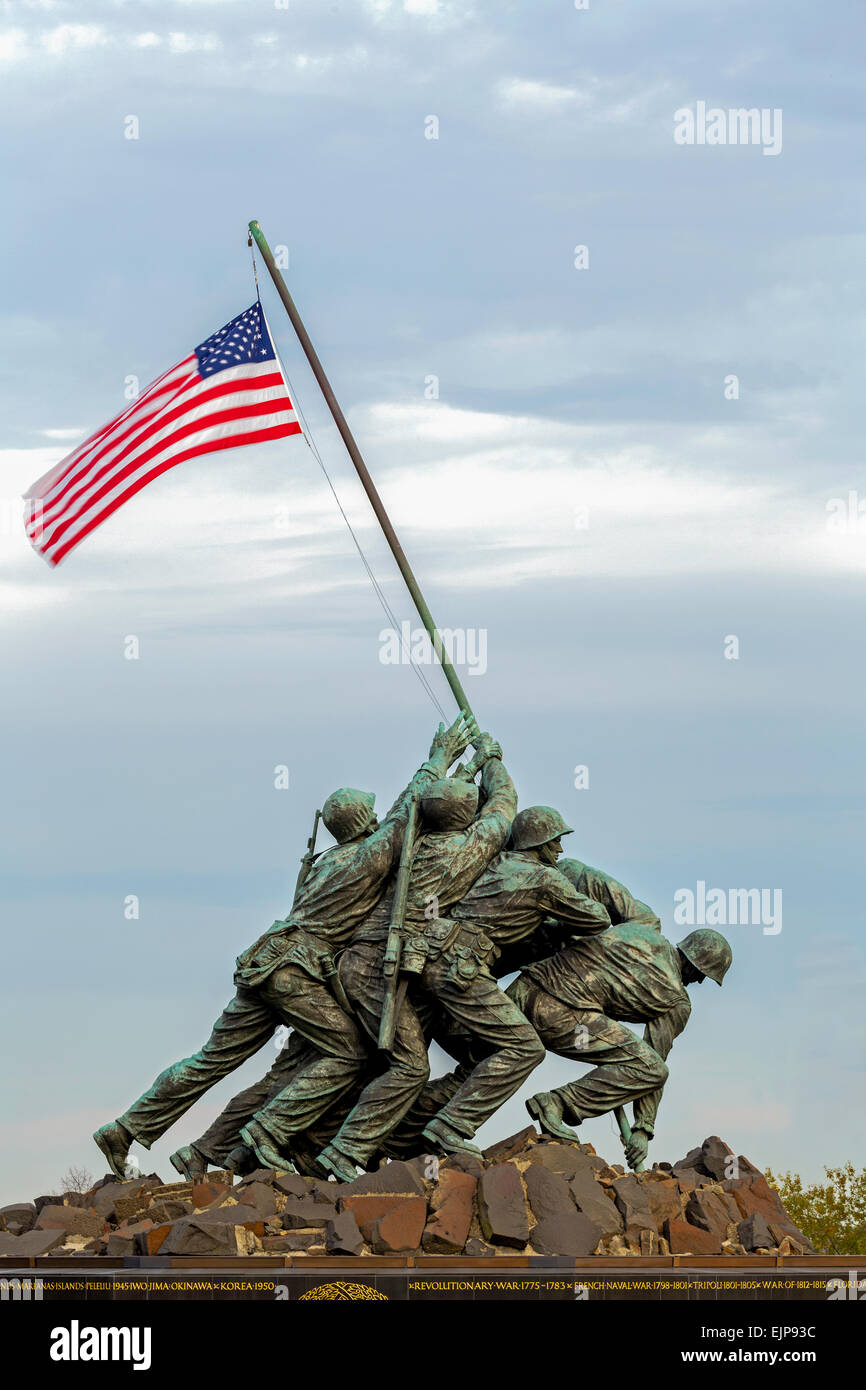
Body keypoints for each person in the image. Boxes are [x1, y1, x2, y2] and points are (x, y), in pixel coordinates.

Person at [92, 714, 475, 1179]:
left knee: (211, 1060)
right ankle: (266, 1134)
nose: (377, 818)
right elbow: (406, 811)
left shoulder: (323, 863)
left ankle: (127, 1127)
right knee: (350, 1052)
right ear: (363, 822)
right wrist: (439, 758)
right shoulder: (366, 858)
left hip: (265, 961)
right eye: (370, 815)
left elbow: (399, 815)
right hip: (295, 971)